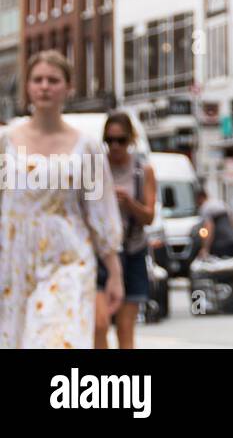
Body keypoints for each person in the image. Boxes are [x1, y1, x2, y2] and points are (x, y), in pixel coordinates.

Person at [0, 50, 124, 348]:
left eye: (53, 80)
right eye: (38, 79)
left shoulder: (86, 147)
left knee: (57, 341)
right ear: (27, 87)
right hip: (14, 260)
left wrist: (114, 273)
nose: (44, 86)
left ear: (68, 88)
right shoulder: (6, 144)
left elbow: (100, 210)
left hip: (68, 259)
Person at [93, 112, 156, 349]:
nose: (115, 146)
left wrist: (130, 203)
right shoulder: (96, 170)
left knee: (125, 328)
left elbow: (149, 216)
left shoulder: (143, 171)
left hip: (133, 250)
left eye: (120, 140)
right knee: (99, 325)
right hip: (102, 252)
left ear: (131, 140)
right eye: (109, 141)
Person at [195, 187, 233, 259]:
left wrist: (205, 248)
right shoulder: (220, 203)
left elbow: (209, 228)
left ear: (200, 198)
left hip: (220, 243)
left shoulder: (205, 207)